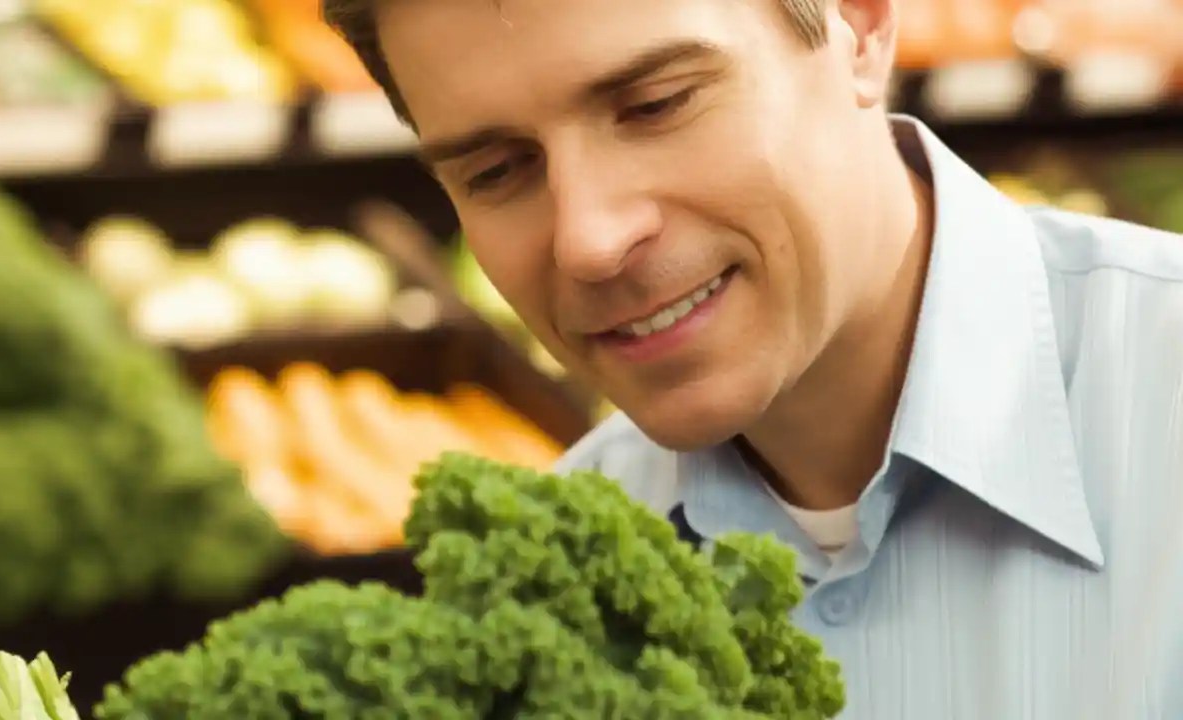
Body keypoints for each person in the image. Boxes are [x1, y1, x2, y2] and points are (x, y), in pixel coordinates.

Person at [323, 0, 1183, 715]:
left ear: (860, 25)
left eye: (656, 104)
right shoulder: (543, 589)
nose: (589, 239)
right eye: (498, 171)